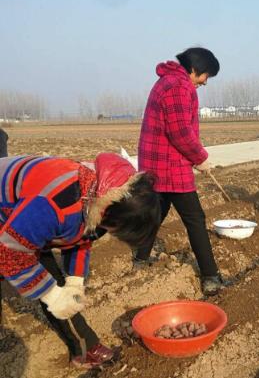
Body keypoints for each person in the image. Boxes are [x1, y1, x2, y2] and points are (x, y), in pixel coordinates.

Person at [0, 153, 161, 369]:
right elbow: (8, 250)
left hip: (28, 208)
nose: (112, 235)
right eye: (117, 231)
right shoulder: (52, 205)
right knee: (50, 283)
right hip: (12, 205)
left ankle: (84, 348)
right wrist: (52, 294)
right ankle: (85, 351)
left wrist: (76, 279)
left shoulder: (104, 197)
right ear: (109, 215)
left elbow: (81, 238)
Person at [136, 47, 224, 295]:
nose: (205, 82)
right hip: (168, 164)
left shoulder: (168, 81)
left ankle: (141, 258)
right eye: (206, 75)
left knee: (158, 211)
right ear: (194, 69)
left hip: (158, 163)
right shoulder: (178, 85)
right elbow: (180, 131)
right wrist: (200, 158)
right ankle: (210, 276)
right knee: (195, 219)